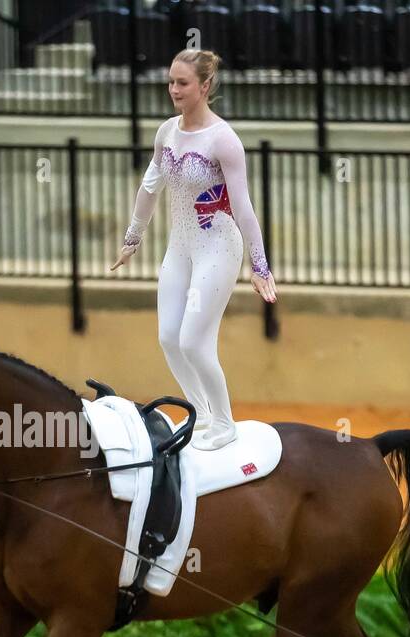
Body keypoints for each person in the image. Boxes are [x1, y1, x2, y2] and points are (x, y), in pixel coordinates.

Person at [109, 49, 276, 451]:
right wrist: (133, 238)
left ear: (204, 86)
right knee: (169, 337)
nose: (173, 89)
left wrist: (260, 266)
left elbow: (243, 207)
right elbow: (150, 187)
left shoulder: (224, 140)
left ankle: (224, 422)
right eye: (170, 81)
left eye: (182, 83)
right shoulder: (167, 131)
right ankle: (200, 413)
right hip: (180, 248)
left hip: (217, 248)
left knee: (192, 342)